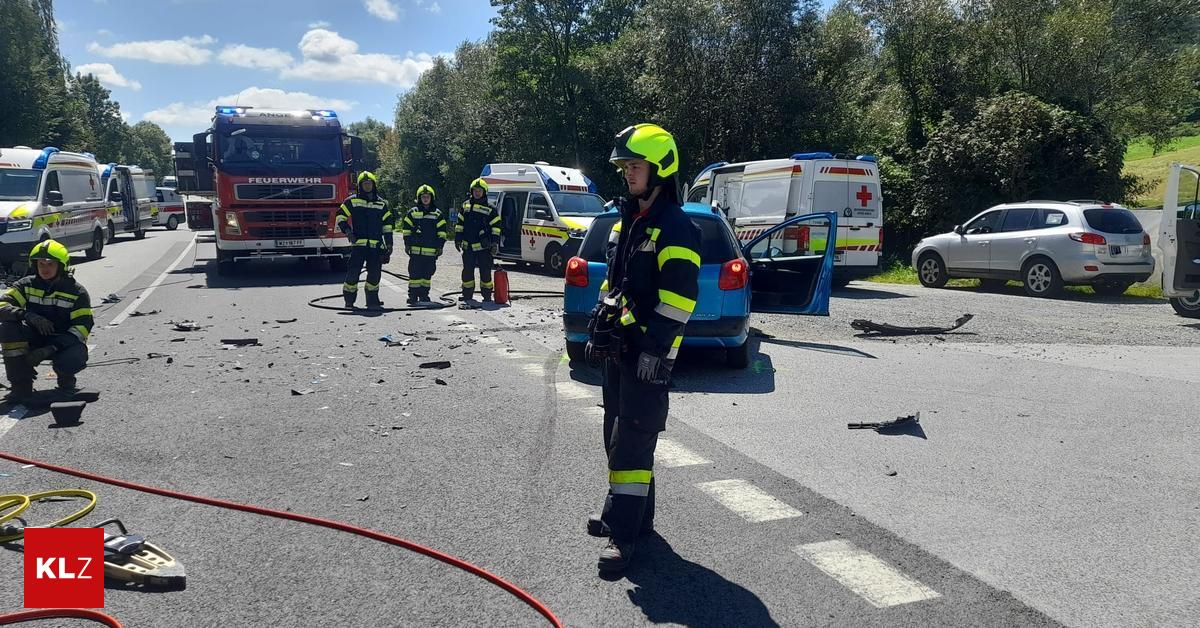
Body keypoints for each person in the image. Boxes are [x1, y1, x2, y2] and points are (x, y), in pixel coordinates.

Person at [586, 124, 701, 573]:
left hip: (648, 354)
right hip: (620, 350)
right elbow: (612, 282)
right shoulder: (627, 220)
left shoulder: (677, 227)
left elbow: (680, 299)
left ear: (660, 168)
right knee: (617, 434)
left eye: (635, 166)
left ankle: (623, 536)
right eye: (625, 167)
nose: (628, 174)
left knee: (633, 441)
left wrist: (654, 349)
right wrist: (601, 320)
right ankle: (637, 519)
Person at [0, 240, 93, 401]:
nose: (45, 269)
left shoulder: (77, 292)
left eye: (50, 264)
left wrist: (52, 347)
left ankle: (66, 384)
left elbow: (83, 327)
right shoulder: (26, 285)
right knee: (8, 328)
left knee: (74, 355)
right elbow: (2, 305)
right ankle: (21, 386)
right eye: (41, 264)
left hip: (64, 341)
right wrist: (28, 315)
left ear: (61, 266)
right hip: (34, 337)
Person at [336, 171, 393, 310]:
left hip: (376, 246)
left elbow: (387, 226)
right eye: (365, 184)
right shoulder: (352, 201)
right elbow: (340, 216)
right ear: (360, 185)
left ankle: (372, 301)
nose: (367, 186)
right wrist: (348, 231)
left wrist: (389, 244)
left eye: (369, 183)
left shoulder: (382, 204)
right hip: (359, 246)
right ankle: (349, 301)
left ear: (374, 185)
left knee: (375, 274)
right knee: (353, 273)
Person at [400, 184, 448, 305]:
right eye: (423, 197)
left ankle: (424, 295)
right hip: (415, 252)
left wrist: (440, 246)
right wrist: (407, 244)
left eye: (428, 197)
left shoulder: (437, 214)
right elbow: (406, 230)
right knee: (414, 274)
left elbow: (442, 232)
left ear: (432, 198)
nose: (426, 199)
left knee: (427, 275)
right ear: (419, 198)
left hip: (431, 252)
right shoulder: (413, 212)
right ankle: (412, 296)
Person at [455, 178, 501, 303]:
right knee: (467, 272)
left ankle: (486, 295)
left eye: (480, 190)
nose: (477, 192)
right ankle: (467, 294)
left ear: (484, 192)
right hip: (468, 246)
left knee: (485, 272)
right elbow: (460, 224)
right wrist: (457, 238)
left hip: (484, 247)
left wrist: (494, 243)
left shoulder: (491, 209)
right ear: (472, 191)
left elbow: (496, 227)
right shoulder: (465, 206)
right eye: (475, 190)